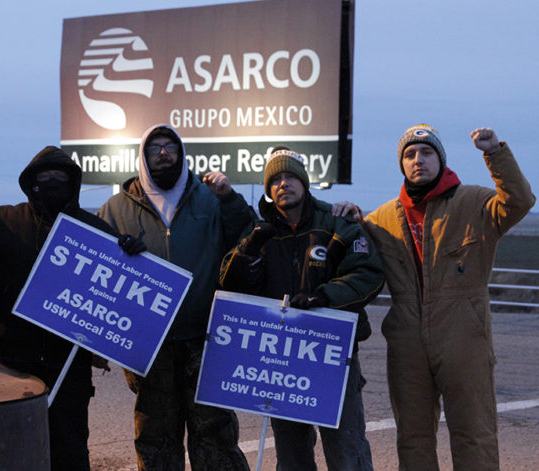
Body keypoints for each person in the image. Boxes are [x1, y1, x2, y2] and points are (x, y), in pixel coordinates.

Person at [334, 125, 535, 470]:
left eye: (426, 152)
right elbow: (359, 254)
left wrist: (495, 153)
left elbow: (519, 201)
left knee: (474, 433)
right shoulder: (381, 219)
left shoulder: (474, 202)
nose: (418, 160)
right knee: (412, 439)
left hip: (464, 337)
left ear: (440, 159)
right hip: (407, 341)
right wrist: (352, 216)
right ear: (402, 164)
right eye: (410, 155)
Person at [0, 146, 145, 471]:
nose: (52, 182)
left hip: (68, 367)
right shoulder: (1, 221)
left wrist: (131, 254)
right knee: (8, 453)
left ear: (73, 183)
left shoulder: (93, 231)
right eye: (44, 176)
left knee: (68, 454)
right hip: (10, 363)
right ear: (30, 182)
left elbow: (125, 287)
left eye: (60, 177)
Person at [96, 124, 253, 470]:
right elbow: (97, 272)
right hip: (149, 345)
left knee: (215, 435)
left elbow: (249, 239)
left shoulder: (211, 199)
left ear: (182, 155)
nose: (164, 153)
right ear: (143, 156)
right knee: (156, 438)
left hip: (206, 337)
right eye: (155, 148)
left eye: (171, 147)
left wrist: (230, 199)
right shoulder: (114, 209)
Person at [219, 146, 384, 471]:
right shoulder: (259, 231)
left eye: (291, 176)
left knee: (346, 452)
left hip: (333, 357)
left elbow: (368, 274)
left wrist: (324, 297)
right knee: (292, 456)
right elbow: (229, 284)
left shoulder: (337, 223)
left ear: (305, 183)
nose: (284, 184)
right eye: (276, 179)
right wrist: (248, 252)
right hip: (282, 358)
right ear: (268, 188)